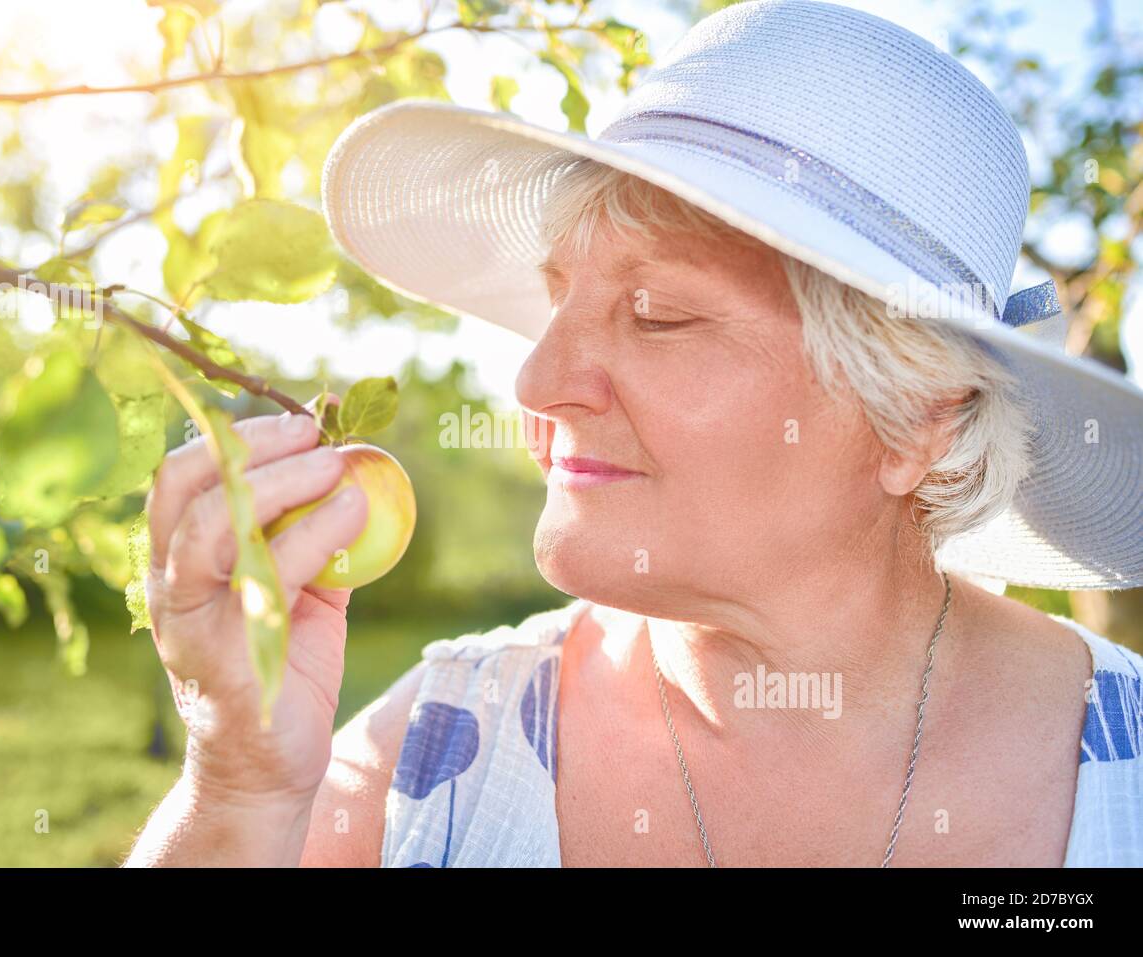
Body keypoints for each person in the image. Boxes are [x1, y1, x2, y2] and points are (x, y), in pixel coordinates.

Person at [126, 0, 1143, 867]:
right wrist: (242, 791)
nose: (536, 378)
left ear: (922, 415)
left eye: (657, 313)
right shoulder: (437, 756)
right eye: (557, 297)